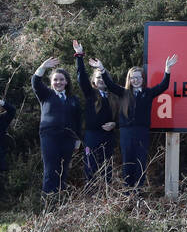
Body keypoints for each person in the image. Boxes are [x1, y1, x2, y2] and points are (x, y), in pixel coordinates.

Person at [99, 54, 178, 190]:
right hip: (126, 133)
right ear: (129, 79)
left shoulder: (148, 93)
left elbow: (163, 86)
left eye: (138, 77)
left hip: (142, 132)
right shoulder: (123, 93)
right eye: (132, 77)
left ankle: (138, 190)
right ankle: (128, 191)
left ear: (143, 79)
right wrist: (102, 70)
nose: (135, 80)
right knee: (128, 162)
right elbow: (111, 85)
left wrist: (167, 69)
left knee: (140, 161)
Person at [31, 57, 82, 195]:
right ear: (51, 82)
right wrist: (42, 67)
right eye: (55, 80)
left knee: (63, 169)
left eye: (61, 79)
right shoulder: (46, 94)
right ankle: (48, 202)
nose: (58, 82)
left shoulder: (73, 99)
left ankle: (60, 201)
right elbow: (35, 82)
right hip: (50, 136)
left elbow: (77, 121)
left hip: (68, 138)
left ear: (66, 82)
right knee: (50, 169)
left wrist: (78, 141)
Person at [73, 41, 118, 184]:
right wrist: (79, 56)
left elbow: (122, 116)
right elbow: (81, 78)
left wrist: (115, 124)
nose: (101, 80)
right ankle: (91, 196)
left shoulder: (115, 96)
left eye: (103, 77)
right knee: (91, 167)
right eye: (98, 77)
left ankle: (106, 197)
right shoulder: (90, 94)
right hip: (92, 136)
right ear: (94, 80)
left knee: (107, 169)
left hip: (108, 137)